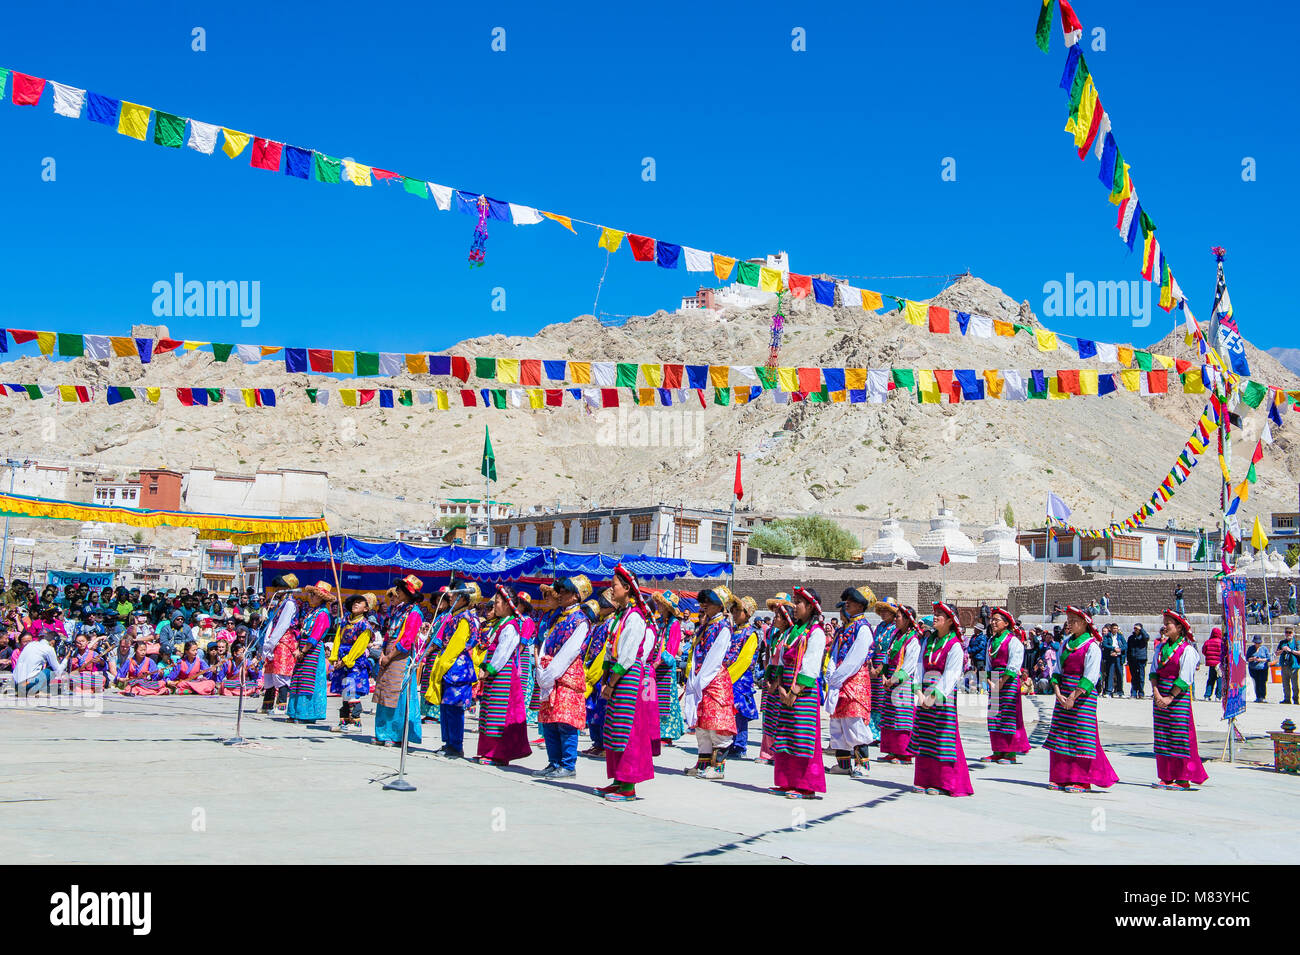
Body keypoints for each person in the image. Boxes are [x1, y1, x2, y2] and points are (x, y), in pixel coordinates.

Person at [596, 565, 658, 802]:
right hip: (618, 678)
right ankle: (618, 780)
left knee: (627, 732)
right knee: (613, 731)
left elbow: (627, 656)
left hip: (628, 680)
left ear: (628, 589)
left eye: (615, 586)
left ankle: (629, 786)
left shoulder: (635, 618)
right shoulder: (621, 616)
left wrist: (611, 683)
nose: (611, 589)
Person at [1044, 606, 1119, 793]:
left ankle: (1081, 779)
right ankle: (1060, 776)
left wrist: (1073, 696)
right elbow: (1058, 670)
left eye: (1074, 620)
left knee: (1081, 735)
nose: (1069, 623)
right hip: (1063, 695)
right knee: (1061, 734)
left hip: (1081, 697)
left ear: (1085, 623)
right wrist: (1057, 691)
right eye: (1068, 620)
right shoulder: (1065, 644)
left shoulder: (1092, 646)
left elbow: (1090, 677)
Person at [764, 587, 828, 799]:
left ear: (810, 606)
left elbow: (810, 666)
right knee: (785, 736)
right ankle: (787, 781)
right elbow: (782, 661)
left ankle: (805, 786)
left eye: (798, 602)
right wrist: (781, 687)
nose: (795, 606)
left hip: (803, 693)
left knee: (802, 737)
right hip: (786, 690)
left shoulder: (816, 632)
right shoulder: (792, 631)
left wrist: (794, 692)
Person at [911, 602, 974, 797]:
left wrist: (934, 697)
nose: (935, 616)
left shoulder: (954, 644)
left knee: (942, 738)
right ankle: (924, 779)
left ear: (949, 620)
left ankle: (942, 781)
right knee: (926, 737)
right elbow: (919, 665)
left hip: (942, 696)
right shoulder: (928, 640)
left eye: (940, 614)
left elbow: (952, 675)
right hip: (925, 695)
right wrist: (919, 692)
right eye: (935, 613)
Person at [533, 575, 591, 779]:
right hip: (549, 672)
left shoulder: (580, 621)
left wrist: (550, 671)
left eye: (565, 592)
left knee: (565, 722)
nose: (561, 595)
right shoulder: (556, 617)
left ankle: (568, 764)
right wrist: (541, 665)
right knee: (549, 721)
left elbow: (570, 651)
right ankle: (554, 761)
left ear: (576, 597)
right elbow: (545, 641)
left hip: (566, 675)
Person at [682, 587, 737, 779]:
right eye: (703, 601)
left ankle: (718, 767)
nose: (703, 605)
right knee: (702, 725)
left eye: (709, 602)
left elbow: (715, 656)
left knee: (716, 724)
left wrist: (701, 680)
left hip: (713, 680)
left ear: (720, 605)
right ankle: (703, 763)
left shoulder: (723, 627)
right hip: (700, 679)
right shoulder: (705, 626)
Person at [1150, 609, 1209, 790]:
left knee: (1179, 735)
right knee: (1163, 736)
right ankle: (1166, 776)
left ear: (1179, 628)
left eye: (1168, 623)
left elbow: (1185, 678)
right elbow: (1153, 672)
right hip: (1160, 696)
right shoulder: (1160, 648)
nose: (1165, 626)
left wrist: (1170, 697)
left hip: (1177, 699)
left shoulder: (1187, 650)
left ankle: (1183, 778)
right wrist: (1157, 693)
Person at [475, 584, 532, 766]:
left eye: (498, 602)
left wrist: (490, 669)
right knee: (488, 711)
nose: (495, 605)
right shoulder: (501, 624)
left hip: (503, 675)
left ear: (508, 605)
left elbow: (503, 652)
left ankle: (497, 753)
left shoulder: (511, 626)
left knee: (497, 714)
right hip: (495, 674)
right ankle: (487, 750)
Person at [824, 586, 876, 778]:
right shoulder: (843, 630)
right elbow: (834, 653)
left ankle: (863, 764)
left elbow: (856, 658)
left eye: (851, 602)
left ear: (860, 606)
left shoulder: (863, 629)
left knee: (854, 722)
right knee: (838, 722)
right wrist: (831, 673)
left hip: (854, 681)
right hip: (839, 680)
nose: (847, 605)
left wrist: (838, 676)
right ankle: (843, 763)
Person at [426, 582, 481, 758]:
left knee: (454, 707)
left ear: (464, 598)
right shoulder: (453, 615)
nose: (450, 596)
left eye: (455, 594)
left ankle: (455, 745)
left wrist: (442, 664)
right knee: (446, 707)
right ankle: (448, 743)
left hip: (456, 667)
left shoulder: (465, 618)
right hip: (449, 664)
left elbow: (456, 645)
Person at [373, 576, 425, 746]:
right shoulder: (397, 610)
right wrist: (382, 652)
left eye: (401, 590)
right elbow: (389, 632)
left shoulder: (415, 613)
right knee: (384, 693)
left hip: (401, 657)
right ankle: (382, 733)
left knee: (397, 694)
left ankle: (395, 735)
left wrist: (390, 655)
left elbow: (407, 639)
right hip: (388, 652)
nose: (397, 592)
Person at [876, 603, 921, 764]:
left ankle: (905, 753)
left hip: (902, 682)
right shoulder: (895, 637)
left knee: (901, 716)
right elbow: (887, 658)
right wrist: (883, 676)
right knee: (890, 716)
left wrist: (893, 679)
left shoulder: (913, 640)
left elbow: (909, 665)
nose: (895, 619)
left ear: (908, 620)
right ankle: (893, 750)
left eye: (898, 616)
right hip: (890, 679)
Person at [984, 608, 1030, 763]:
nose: (993, 622)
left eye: (997, 620)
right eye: (992, 620)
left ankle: (1010, 753)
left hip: (1008, 681)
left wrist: (1001, 682)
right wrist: (990, 681)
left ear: (1006, 623)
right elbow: (988, 664)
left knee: (1009, 715)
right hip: (995, 681)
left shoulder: (1013, 641)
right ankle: (997, 750)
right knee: (994, 715)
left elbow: (1013, 665)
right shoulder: (991, 641)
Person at [286, 581, 334, 723]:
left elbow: (315, 635)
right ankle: (294, 712)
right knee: (298, 680)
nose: (311, 597)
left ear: (322, 598)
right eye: (311, 594)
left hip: (312, 650)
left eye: (314, 595)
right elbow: (303, 632)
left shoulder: (323, 614)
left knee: (308, 681)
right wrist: (297, 647)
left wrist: (303, 650)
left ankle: (306, 714)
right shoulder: (311, 612)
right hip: (303, 647)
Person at [329, 593, 377, 732]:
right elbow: (337, 638)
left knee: (352, 691)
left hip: (354, 662)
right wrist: (334, 658)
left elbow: (359, 647)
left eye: (360, 602)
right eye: (354, 601)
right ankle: (344, 721)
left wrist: (345, 661)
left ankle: (356, 722)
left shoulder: (365, 625)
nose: (356, 604)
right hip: (342, 659)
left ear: (366, 609)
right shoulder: (345, 620)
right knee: (345, 692)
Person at [757, 594, 795, 764]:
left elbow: (784, 661)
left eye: (778, 615)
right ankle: (766, 753)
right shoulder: (774, 634)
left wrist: (776, 683)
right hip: (770, 678)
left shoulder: (790, 636)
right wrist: (766, 677)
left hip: (781, 681)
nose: (775, 618)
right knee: (769, 717)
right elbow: (769, 656)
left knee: (780, 718)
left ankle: (778, 754)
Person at [725, 595, 761, 761]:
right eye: (733, 610)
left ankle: (740, 745)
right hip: (728, 675)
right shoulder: (733, 631)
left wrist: (729, 677)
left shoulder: (751, 634)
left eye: (738, 610)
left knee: (740, 713)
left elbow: (745, 660)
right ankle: (730, 742)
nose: (734, 613)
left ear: (747, 613)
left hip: (740, 678)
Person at [259, 576, 301, 715]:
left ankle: (282, 704)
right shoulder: (280, 603)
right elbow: (273, 623)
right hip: (274, 639)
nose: (277, 590)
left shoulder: (289, 604)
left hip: (284, 641)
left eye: (280, 587)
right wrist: (267, 641)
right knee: (270, 672)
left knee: (281, 672)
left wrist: (272, 641)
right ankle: (267, 704)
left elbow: (283, 625)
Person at [651, 590, 686, 746]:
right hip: (654, 666)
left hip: (665, 668)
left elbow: (671, 648)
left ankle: (667, 734)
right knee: (654, 700)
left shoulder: (674, 624)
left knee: (666, 701)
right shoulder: (659, 622)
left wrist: (658, 662)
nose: (658, 606)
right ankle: (655, 730)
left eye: (660, 604)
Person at [11, 629, 66, 697]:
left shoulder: (30, 645)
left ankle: (28, 690)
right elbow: (58, 670)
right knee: (50, 671)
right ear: (52, 641)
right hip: (26, 684)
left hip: (16, 685)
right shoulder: (49, 649)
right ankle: (38, 691)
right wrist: (66, 658)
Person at [1099, 624, 1126, 698]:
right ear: (1111, 629)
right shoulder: (1107, 636)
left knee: (1119, 674)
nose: (1115, 630)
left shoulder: (1120, 636)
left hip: (1118, 657)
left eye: (1116, 628)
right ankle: (1108, 691)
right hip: (1110, 657)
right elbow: (1105, 645)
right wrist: (1113, 648)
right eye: (1114, 628)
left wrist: (1119, 650)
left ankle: (1120, 691)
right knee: (1110, 674)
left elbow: (1125, 645)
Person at [1127, 622, 1150, 699]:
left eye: (1137, 628)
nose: (1136, 630)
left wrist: (1141, 630)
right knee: (1134, 677)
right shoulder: (1131, 638)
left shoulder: (1143, 637)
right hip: (1132, 659)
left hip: (1141, 658)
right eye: (1135, 628)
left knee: (1141, 676)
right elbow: (1128, 649)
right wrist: (1128, 659)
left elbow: (1147, 637)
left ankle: (1141, 692)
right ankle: (1133, 693)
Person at [1201, 626, 1224, 701]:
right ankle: (1218, 696)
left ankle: (1207, 695)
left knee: (1211, 679)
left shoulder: (1208, 642)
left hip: (1211, 664)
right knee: (1219, 680)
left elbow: (1204, 651)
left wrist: (1209, 657)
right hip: (1219, 664)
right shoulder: (1221, 642)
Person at [1246, 635, 1271, 703]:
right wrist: (1253, 659)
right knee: (1256, 682)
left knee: (1262, 682)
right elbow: (1247, 658)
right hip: (1254, 668)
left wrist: (1261, 660)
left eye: (1259, 643)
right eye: (1256, 643)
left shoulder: (1264, 649)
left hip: (1263, 668)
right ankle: (1258, 696)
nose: (1257, 644)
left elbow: (1269, 658)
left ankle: (1263, 696)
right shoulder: (1251, 648)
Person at [1278, 627, 1299, 705]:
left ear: (1293, 633)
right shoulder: (1282, 642)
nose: (1288, 634)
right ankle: (1287, 698)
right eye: (1286, 632)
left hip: (1293, 666)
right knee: (1285, 683)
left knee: (1295, 684)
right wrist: (1283, 650)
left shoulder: (1296, 642)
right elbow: (1277, 653)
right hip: (1284, 665)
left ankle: (1296, 699)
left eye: (1290, 632)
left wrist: (1290, 650)